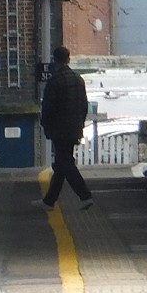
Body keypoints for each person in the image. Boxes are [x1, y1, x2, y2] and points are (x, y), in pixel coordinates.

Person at [37, 45, 95, 211]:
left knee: (66, 164)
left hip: (59, 130)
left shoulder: (55, 81)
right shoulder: (79, 80)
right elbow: (84, 105)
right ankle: (49, 201)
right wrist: (80, 125)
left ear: (55, 61)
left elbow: (48, 107)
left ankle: (85, 195)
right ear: (68, 59)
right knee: (61, 164)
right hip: (74, 128)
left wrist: (46, 126)